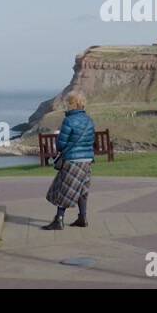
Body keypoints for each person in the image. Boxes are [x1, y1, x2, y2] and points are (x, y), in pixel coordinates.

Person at [42, 91, 95, 230]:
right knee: (82, 190)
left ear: (73, 104)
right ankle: (82, 218)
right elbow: (91, 141)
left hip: (72, 160)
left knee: (65, 189)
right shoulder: (89, 120)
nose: (66, 105)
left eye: (68, 102)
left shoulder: (69, 121)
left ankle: (59, 220)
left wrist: (57, 139)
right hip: (87, 160)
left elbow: (60, 145)